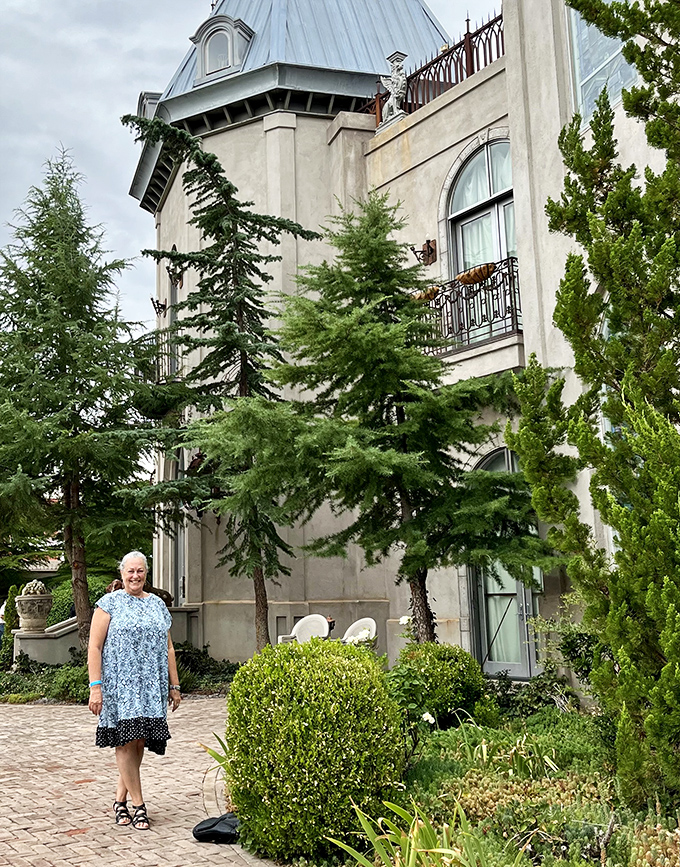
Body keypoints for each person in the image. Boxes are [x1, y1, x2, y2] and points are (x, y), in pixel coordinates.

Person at [87, 551, 181, 830]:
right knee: (125, 741)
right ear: (122, 573)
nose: (135, 576)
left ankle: (120, 801)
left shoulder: (157, 605)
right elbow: (94, 647)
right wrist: (96, 688)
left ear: (146, 573)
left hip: (151, 686)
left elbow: (169, 648)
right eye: (130, 571)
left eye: (140, 571)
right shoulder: (108, 604)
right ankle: (139, 804)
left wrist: (174, 685)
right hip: (119, 686)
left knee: (138, 741)